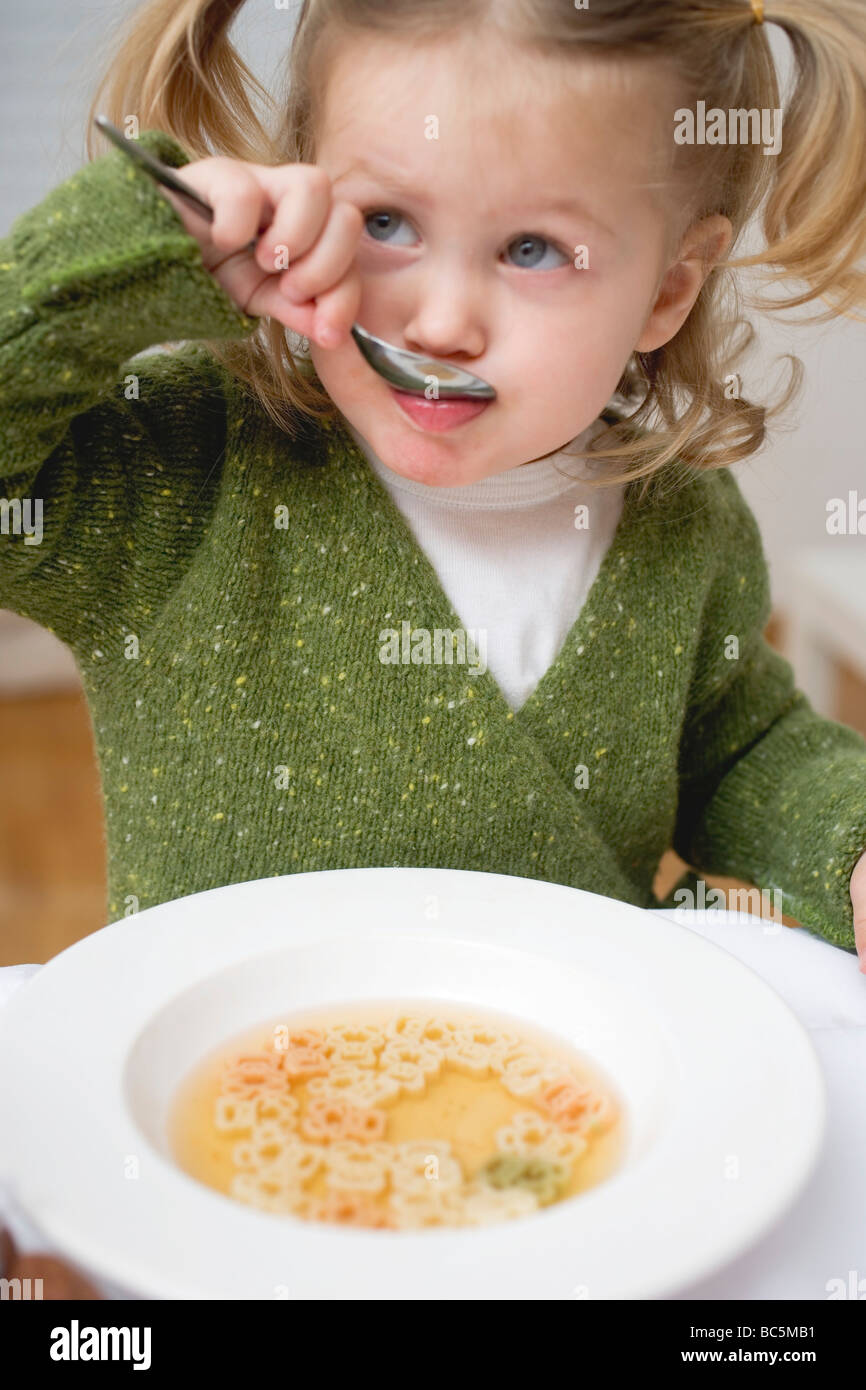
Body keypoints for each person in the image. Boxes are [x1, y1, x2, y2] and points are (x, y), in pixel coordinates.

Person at [1, 0, 865, 1294]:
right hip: (207, 1198)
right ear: (292, 208)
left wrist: (843, 845)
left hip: (567, 1202)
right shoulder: (182, 468)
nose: (445, 315)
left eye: (532, 247)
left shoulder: (678, 523)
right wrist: (142, 246)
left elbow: (737, 741)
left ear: (667, 287)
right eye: (386, 223)